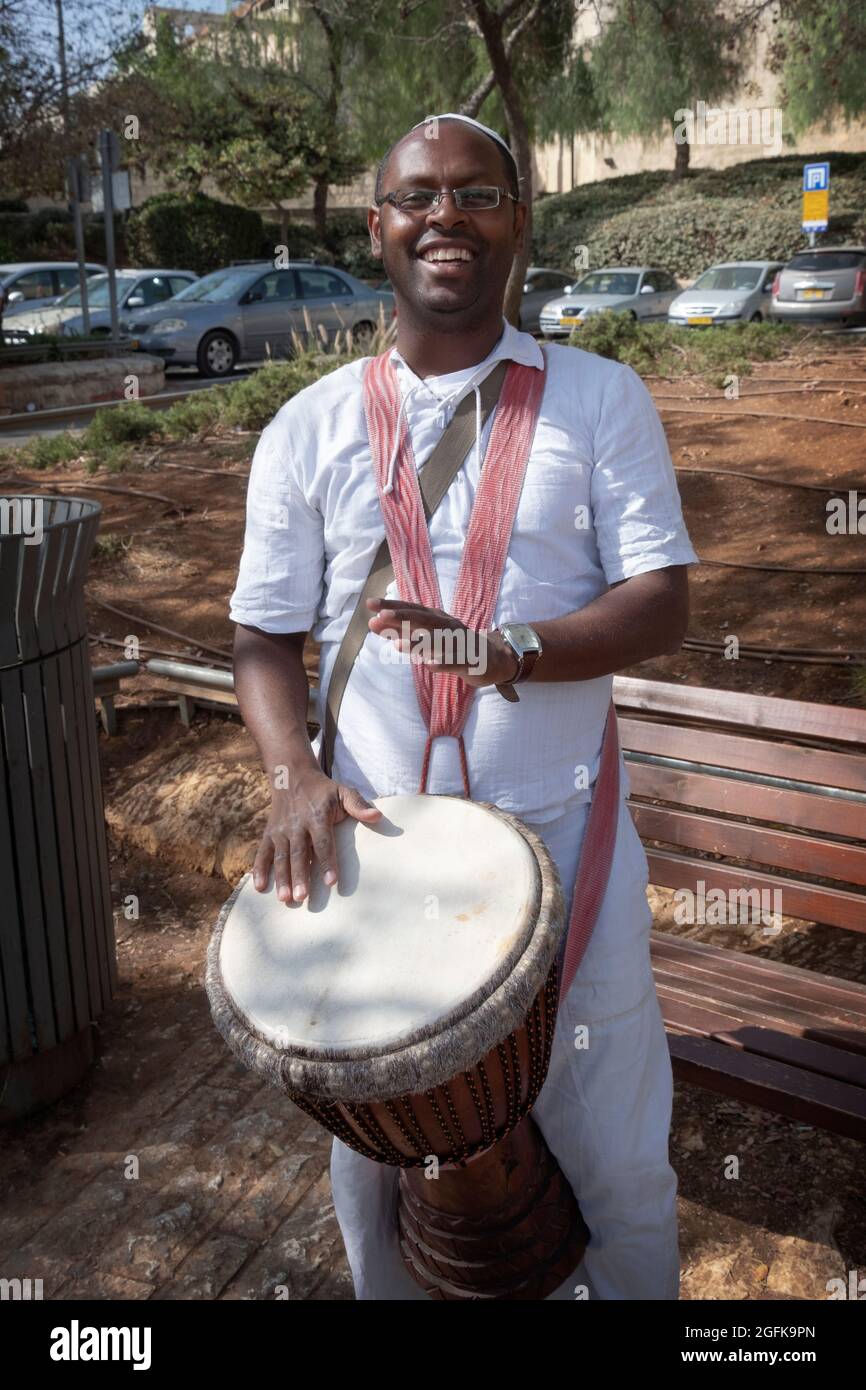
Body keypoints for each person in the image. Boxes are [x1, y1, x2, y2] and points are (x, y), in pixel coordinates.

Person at [228, 111, 699, 1300]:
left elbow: (662, 602)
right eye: (420, 196)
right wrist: (292, 775)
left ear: (518, 223)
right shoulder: (311, 426)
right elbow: (260, 640)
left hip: (569, 860)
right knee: (376, 1192)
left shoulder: (598, 399)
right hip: (376, 873)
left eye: (478, 194)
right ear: (379, 225)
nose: (448, 216)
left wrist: (513, 649)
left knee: (622, 1177)